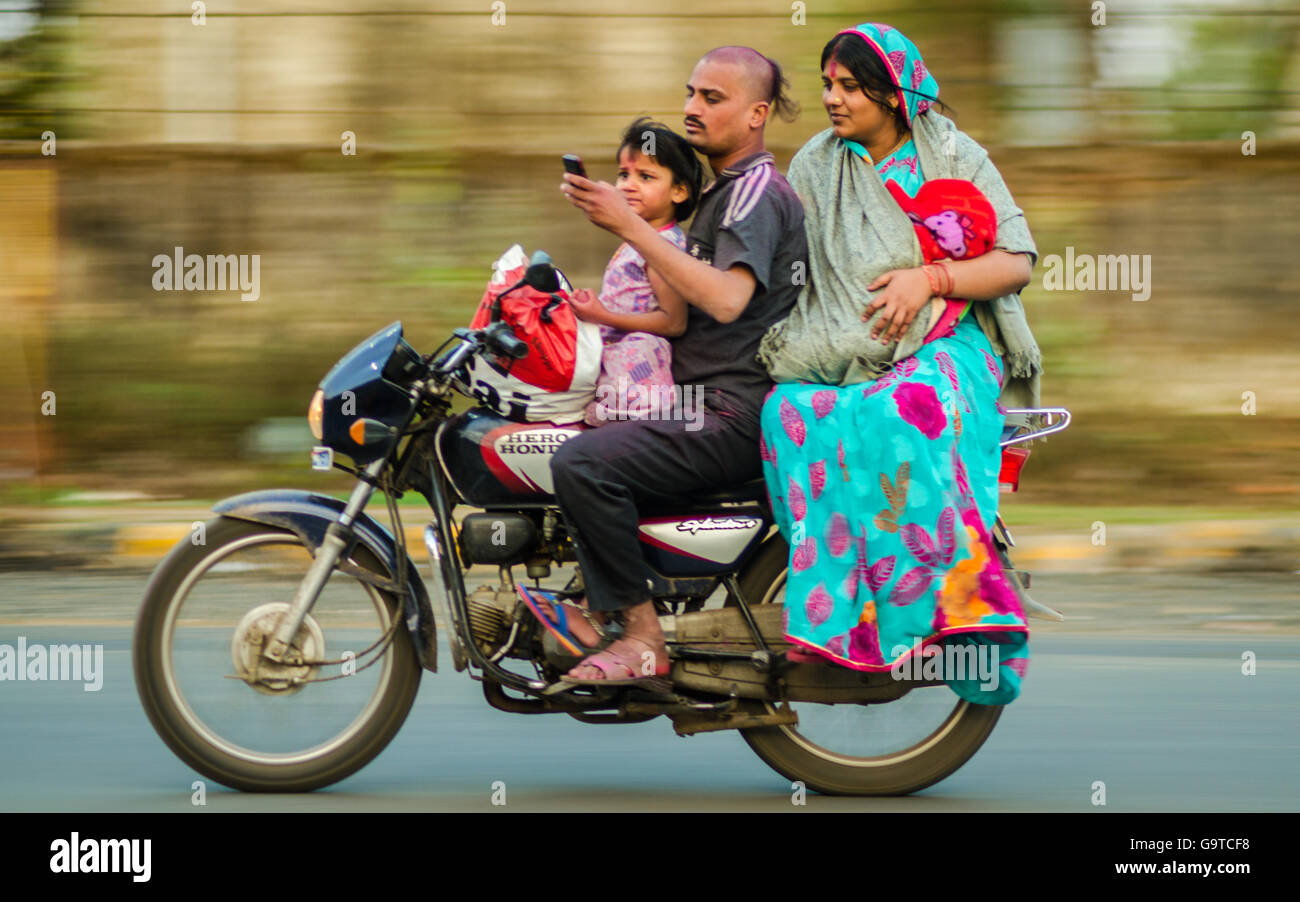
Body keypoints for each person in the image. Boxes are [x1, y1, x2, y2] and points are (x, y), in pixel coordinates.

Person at [755, 23, 1044, 704]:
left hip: (947, 343)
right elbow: (797, 270)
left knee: (901, 410)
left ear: (893, 95)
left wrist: (930, 280)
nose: (832, 98)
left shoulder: (954, 155)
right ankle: (840, 621)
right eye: (827, 84)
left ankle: (955, 612)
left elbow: (1015, 261)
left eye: (849, 87)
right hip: (844, 347)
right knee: (788, 413)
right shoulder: (815, 165)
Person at [546, 45, 807, 685]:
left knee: (581, 464)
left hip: (729, 411)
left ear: (757, 114)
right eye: (691, 93)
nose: (692, 107)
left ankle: (642, 639)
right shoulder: (723, 194)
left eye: (712, 98)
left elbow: (727, 299)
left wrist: (628, 225)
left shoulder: (753, 195)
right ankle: (597, 603)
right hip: (697, 402)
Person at [566, 118, 703, 427]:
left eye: (645, 176)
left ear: (679, 191)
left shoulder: (662, 248)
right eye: (623, 174)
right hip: (616, 367)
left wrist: (602, 316)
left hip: (639, 377)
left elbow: (674, 321)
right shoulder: (637, 240)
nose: (628, 185)